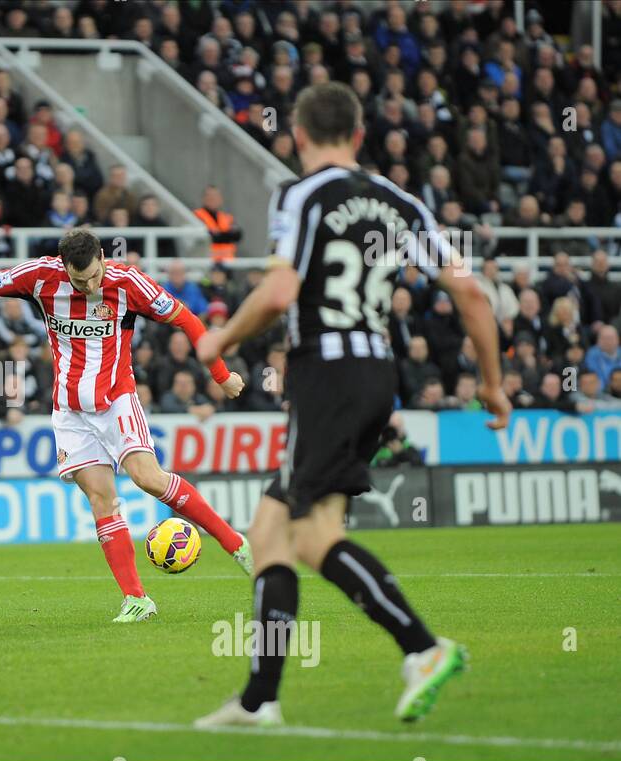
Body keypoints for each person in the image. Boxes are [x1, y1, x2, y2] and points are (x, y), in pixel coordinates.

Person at [193, 82, 510, 727]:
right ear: (361, 136)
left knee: (313, 538)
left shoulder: (301, 194)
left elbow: (281, 293)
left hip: (326, 377)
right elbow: (471, 293)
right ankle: (260, 700)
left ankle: (423, 647)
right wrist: (493, 382)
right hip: (376, 374)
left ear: (299, 136)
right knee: (269, 534)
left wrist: (219, 338)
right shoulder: (400, 202)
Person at [0, 229, 252, 623]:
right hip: (70, 410)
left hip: (116, 399)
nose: (90, 285)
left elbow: (188, 319)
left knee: (148, 478)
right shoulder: (41, 276)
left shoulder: (128, 282)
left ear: (101, 258)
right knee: (101, 500)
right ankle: (137, 599)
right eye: (81, 280)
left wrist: (220, 374)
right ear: (65, 267)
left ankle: (236, 545)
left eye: (95, 275)